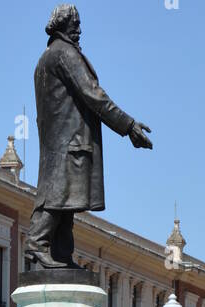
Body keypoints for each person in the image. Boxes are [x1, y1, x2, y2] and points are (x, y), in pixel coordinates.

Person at [26, 5, 153, 270]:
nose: (79, 30)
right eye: (75, 24)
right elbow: (93, 94)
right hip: (67, 143)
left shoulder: (46, 57)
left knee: (66, 200)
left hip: (57, 142)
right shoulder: (64, 54)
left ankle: (61, 253)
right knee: (57, 196)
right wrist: (128, 125)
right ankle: (37, 243)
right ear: (62, 25)